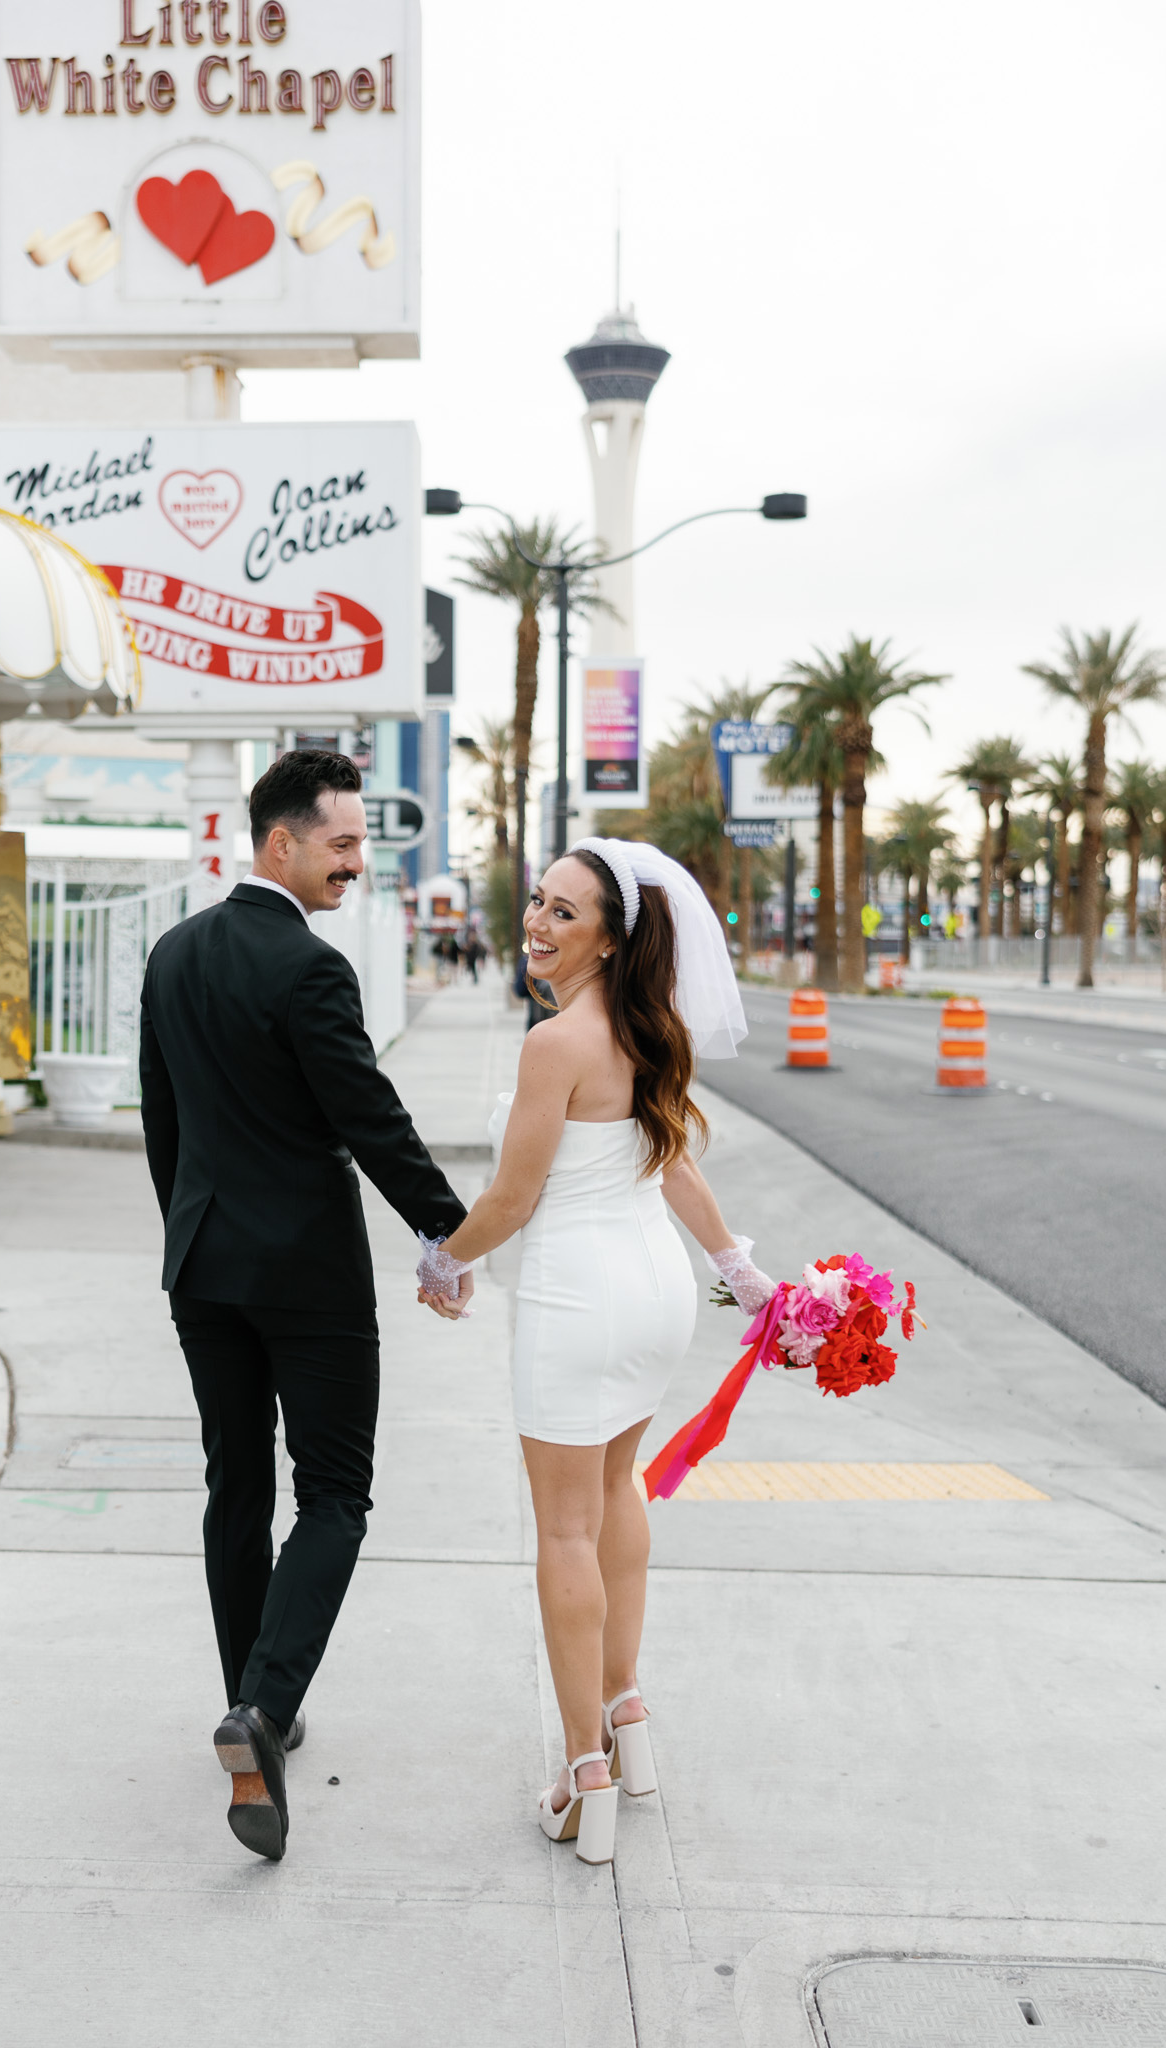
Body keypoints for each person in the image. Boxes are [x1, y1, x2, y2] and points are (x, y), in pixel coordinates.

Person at [416, 837, 775, 1866]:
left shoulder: (555, 1042)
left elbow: (511, 1200)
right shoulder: (645, 1029)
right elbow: (673, 1169)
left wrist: (442, 1260)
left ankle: (582, 1774)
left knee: (563, 1530)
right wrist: (738, 1271)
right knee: (617, 1491)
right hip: (655, 1293)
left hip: (577, 1301)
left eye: (563, 912)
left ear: (610, 938)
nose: (536, 921)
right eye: (536, 900)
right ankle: (625, 1710)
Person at [140, 750, 471, 1863]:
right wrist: (446, 1229)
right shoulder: (309, 968)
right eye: (341, 843)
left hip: (204, 1266)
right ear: (278, 841)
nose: (356, 864)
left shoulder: (173, 954)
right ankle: (264, 1709)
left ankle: (250, 1699)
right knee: (332, 1493)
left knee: (235, 1482)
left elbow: (163, 1128)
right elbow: (367, 1114)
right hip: (309, 1279)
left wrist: (191, 1227)